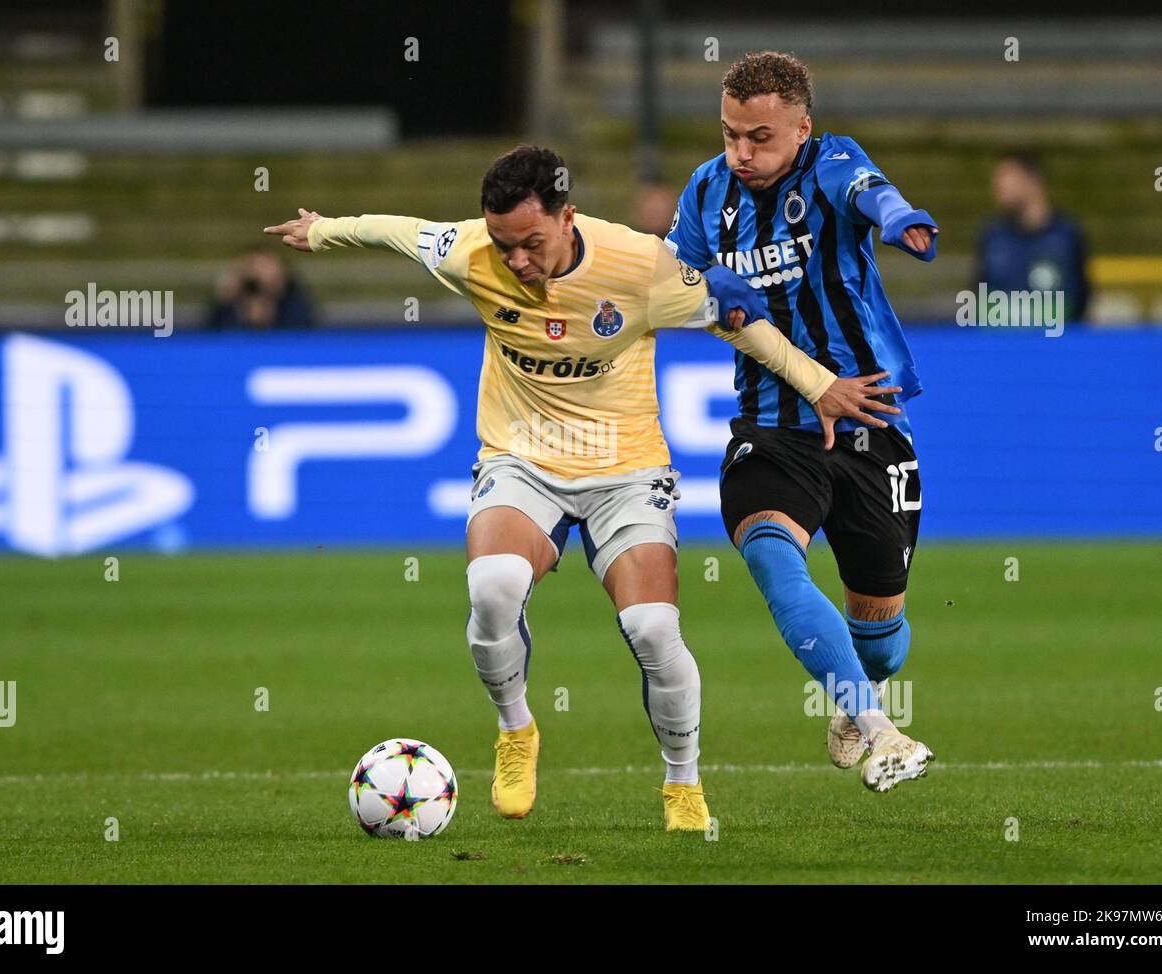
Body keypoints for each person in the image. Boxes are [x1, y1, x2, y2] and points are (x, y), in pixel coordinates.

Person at [265, 145, 900, 827]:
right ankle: (516, 730)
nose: (516, 261)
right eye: (504, 245)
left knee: (653, 629)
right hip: (521, 458)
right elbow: (398, 230)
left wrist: (820, 386)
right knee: (492, 589)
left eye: (531, 243)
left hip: (625, 469)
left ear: (568, 218)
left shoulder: (640, 266)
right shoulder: (471, 251)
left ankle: (682, 784)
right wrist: (324, 229)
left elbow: (748, 331)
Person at [665, 51, 937, 792]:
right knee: (772, 555)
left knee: (881, 644)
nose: (741, 153)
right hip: (771, 427)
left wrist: (900, 218)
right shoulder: (707, 189)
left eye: (759, 137)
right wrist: (694, 285)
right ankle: (879, 727)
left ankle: (859, 692)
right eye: (729, 135)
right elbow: (669, 280)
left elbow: (871, 193)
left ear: (801, 130)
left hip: (870, 421)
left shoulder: (832, 162)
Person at [978, 152, 1090, 323]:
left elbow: (1079, 300)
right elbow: (979, 299)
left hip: (1055, 345)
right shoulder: (993, 236)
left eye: (1007, 179)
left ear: (1033, 181)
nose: (998, 187)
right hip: (1005, 345)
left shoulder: (1067, 236)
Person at [206, 249, 315, 330]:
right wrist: (224, 302)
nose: (258, 277)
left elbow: (303, 329)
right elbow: (211, 332)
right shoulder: (228, 306)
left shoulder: (293, 304)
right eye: (252, 267)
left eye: (265, 267)